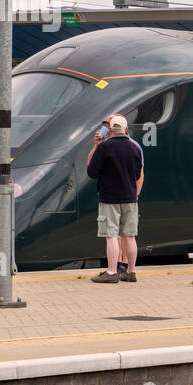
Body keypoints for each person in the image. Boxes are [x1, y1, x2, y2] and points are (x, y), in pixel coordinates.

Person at [86, 114, 143, 283]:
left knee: (111, 235)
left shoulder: (105, 147)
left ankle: (111, 273)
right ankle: (131, 272)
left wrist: (97, 146)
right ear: (125, 129)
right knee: (130, 236)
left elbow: (91, 172)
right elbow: (139, 172)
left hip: (109, 198)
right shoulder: (135, 147)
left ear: (109, 130)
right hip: (131, 198)